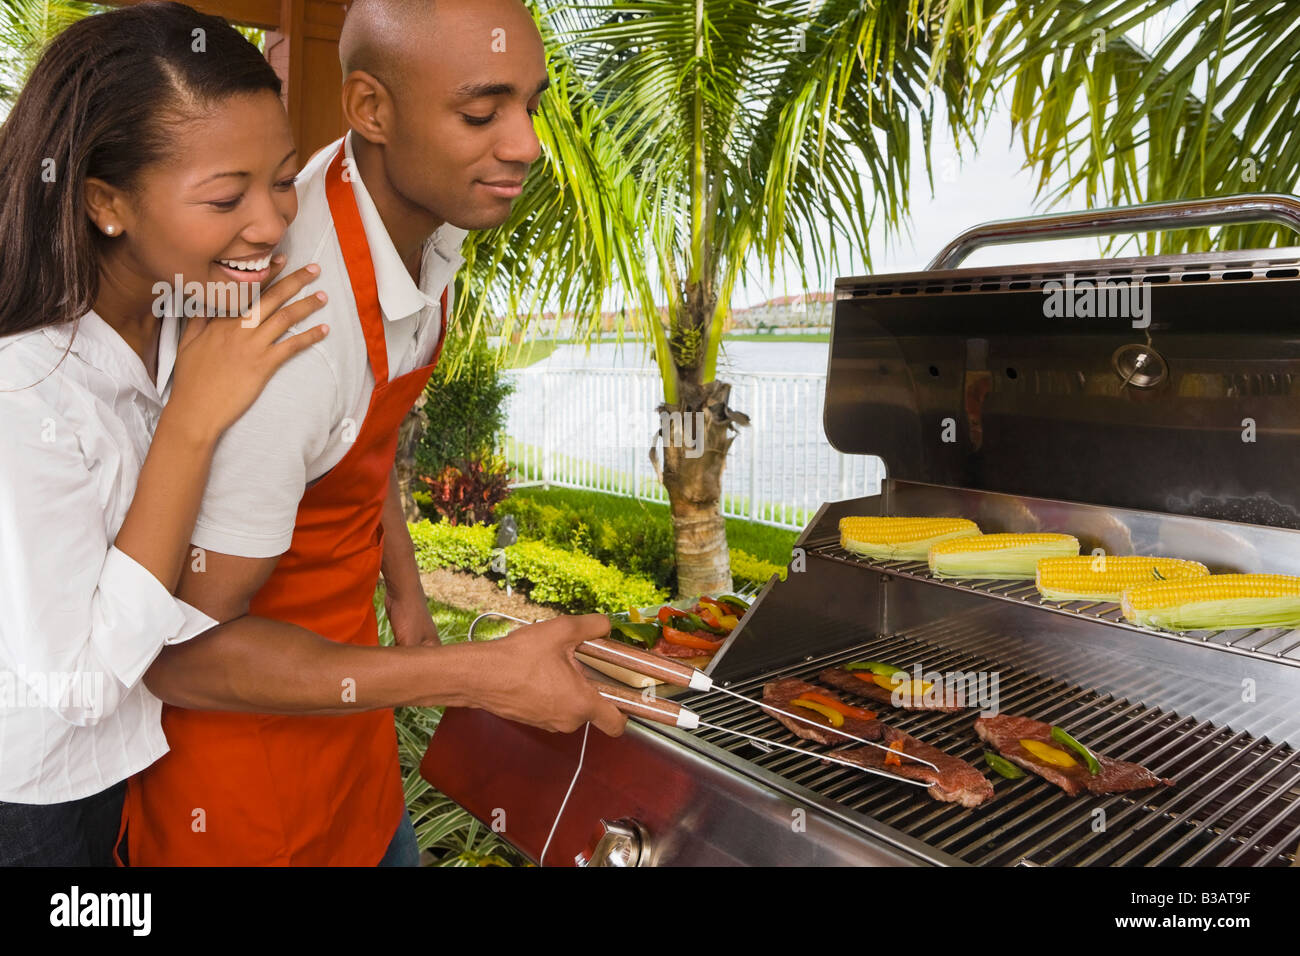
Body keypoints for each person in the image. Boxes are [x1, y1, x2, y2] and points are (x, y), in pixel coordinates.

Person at [126, 0, 626, 867]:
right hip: (242, 787)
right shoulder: (299, 338)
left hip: (348, 715)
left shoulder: (406, 216)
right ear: (371, 111)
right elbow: (183, 654)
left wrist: (405, 590)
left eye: (531, 105)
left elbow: (365, 433)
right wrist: (478, 672)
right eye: (481, 112)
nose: (527, 145)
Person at [0, 2, 331, 865]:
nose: (270, 223)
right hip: (36, 800)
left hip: (148, 762)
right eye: (226, 196)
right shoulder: (23, 388)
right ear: (106, 202)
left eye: (285, 178)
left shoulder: (190, 307)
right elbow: (81, 682)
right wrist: (190, 422)